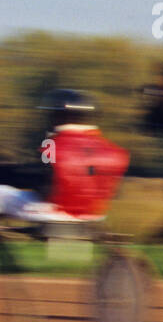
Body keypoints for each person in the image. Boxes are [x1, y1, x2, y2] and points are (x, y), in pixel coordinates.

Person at [0, 89, 130, 223]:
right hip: (94, 216)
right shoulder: (116, 151)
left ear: (61, 116)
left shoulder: (51, 144)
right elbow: (114, 191)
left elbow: (40, 181)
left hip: (53, 212)